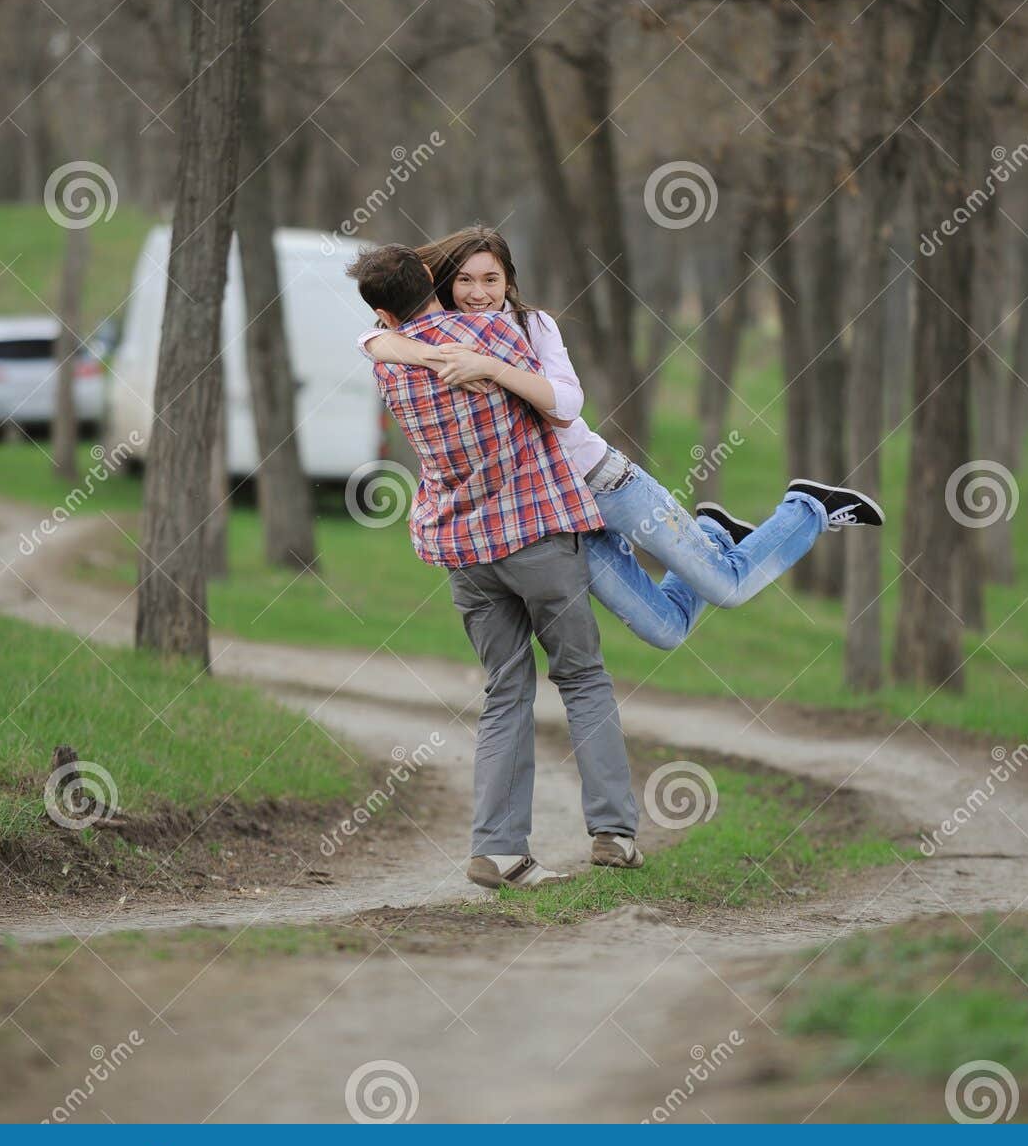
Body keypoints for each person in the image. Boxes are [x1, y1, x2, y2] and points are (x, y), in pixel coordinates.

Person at [359, 226, 884, 651]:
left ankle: (806, 507)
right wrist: (431, 354)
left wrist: (491, 367)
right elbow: (369, 338)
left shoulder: (530, 326)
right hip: (554, 523)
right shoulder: (437, 335)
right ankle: (715, 530)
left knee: (727, 588)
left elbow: (566, 408)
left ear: (509, 281)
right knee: (666, 631)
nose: (479, 293)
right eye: (466, 281)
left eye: (492, 279)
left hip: (605, 485)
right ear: (444, 285)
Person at [349, 243, 644, 891]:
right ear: (433, 278)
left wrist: (401, 339)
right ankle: (614, 835)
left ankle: (498, 850)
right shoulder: (493, 332)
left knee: (505, 689)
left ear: (381, 309)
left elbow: (375, 338)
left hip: (464, 550)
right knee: (582, 676)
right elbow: (559, 402)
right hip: (535, 533)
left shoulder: (389, 364)